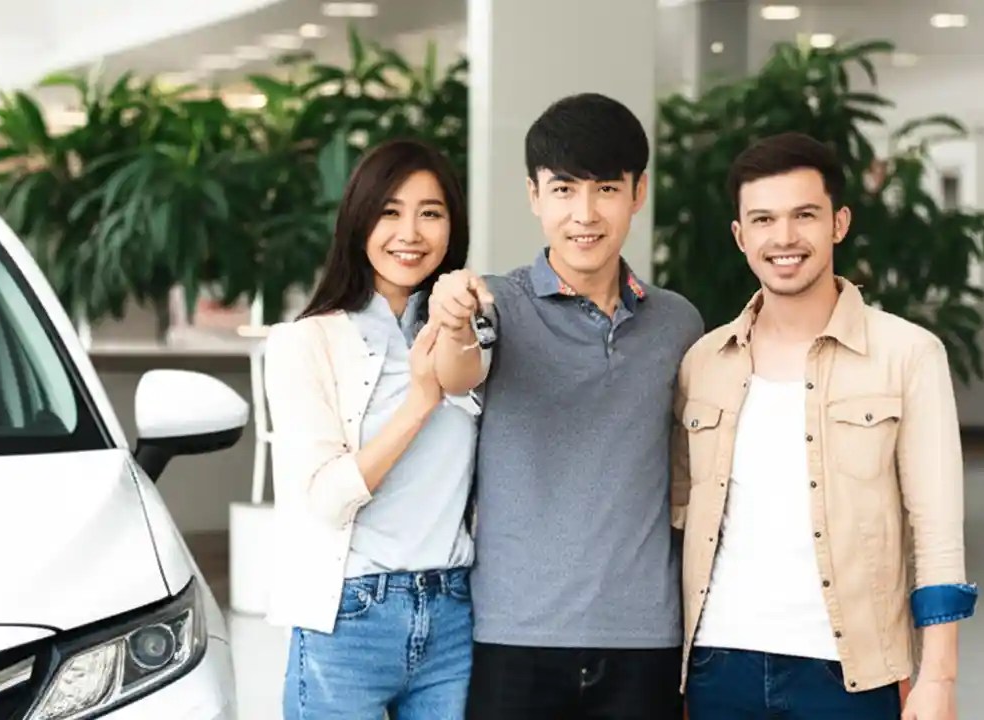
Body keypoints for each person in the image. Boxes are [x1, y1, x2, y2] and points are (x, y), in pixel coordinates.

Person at [673, 132, 978, 719]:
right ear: (740, 236)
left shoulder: (908, 354)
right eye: (762, 219)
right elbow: (680, 516)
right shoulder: (704, 362)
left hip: (850, 675)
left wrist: (938, 677)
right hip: (719, 666)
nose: (783, 237)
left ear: (838, 223)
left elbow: (937, 531)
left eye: (803, 215)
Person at [428, 92, 704, 719]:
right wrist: (455, 322)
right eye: (563, 190)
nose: (584, 213)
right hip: (513, 636)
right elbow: (456, 373)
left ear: (638, 193)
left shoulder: (678, 323)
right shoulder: (493, 305)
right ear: (534, 196)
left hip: (644, 638)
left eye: (606, 188)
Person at [262, 138, 483, 719]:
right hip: (348, 622)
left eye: (430, 213)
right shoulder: (305, 343)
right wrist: (420, 401)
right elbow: (326, 498)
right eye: (389, 212)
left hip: (453, 616)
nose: (410, 232)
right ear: (358, 221)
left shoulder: (475, 334)